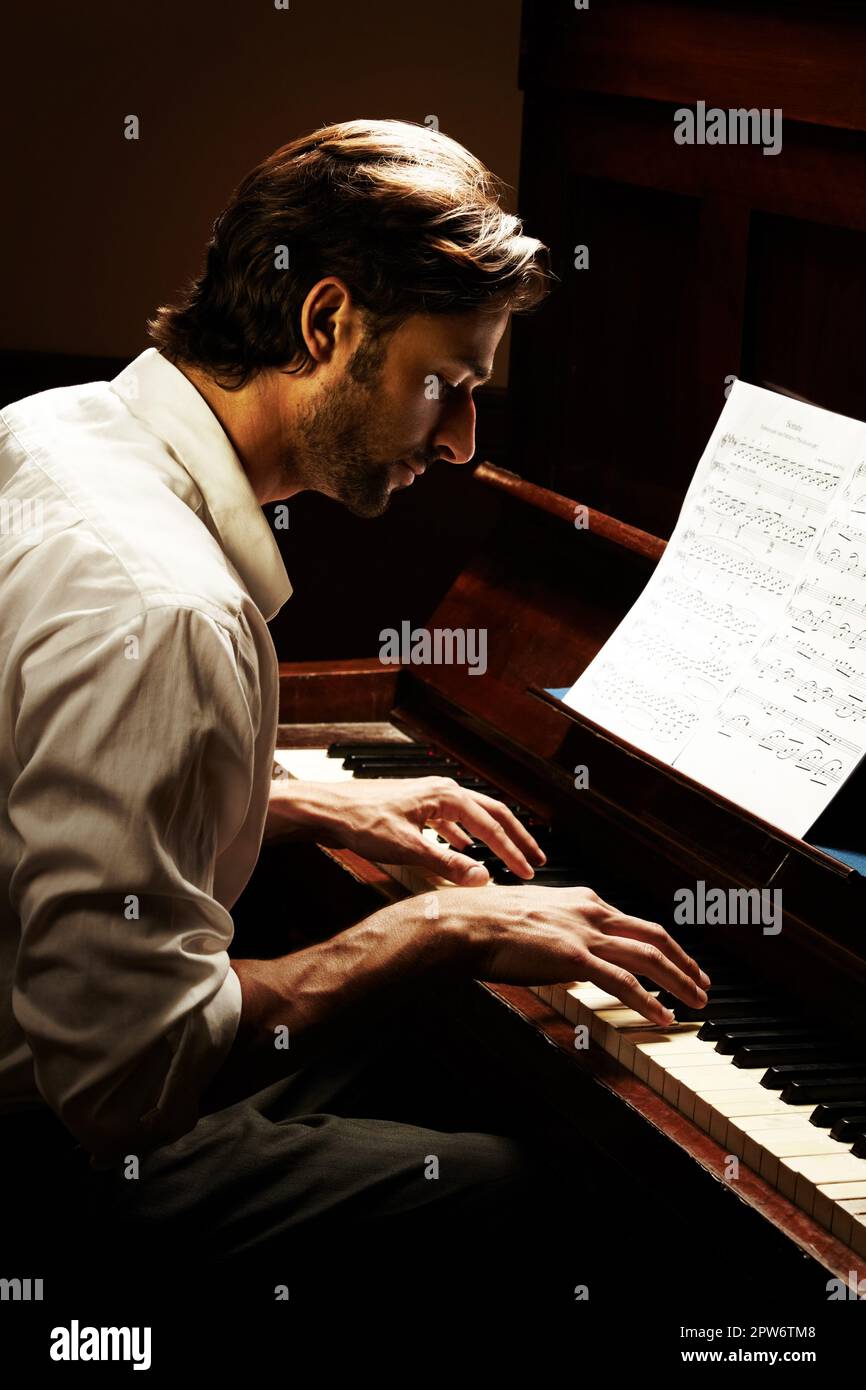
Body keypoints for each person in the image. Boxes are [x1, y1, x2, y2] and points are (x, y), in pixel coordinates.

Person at [0, 119, 709, 1313]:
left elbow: (46, 776)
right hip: (50, 1162)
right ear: (325, 322)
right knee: (562, 1189)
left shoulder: (56, 429)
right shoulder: (167, 610)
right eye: (448, 386)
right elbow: (125, 1080)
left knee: (438, 1046)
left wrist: (288, 798)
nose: (462, 442)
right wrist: (435, 926)